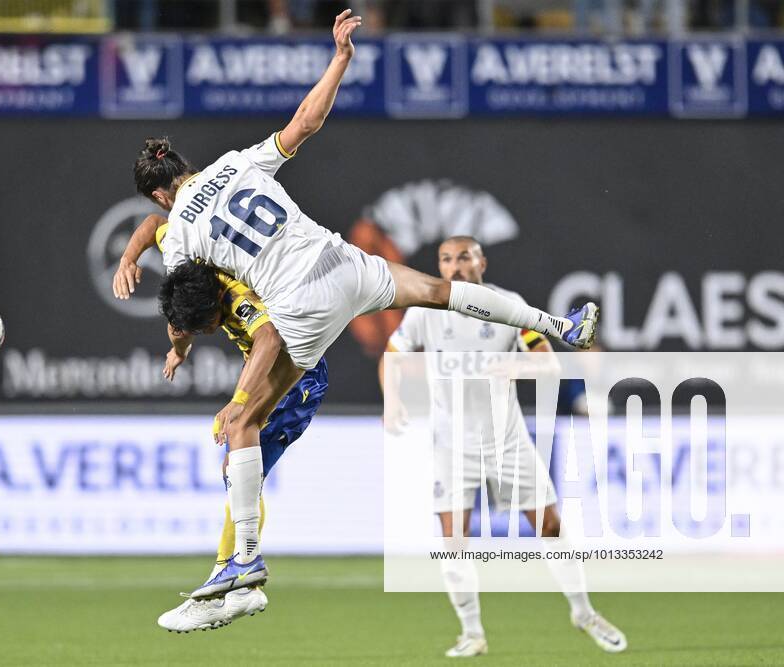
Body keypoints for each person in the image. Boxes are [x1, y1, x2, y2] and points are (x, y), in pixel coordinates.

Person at [126, 8, 599, 600]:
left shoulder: (184, 233)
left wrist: (181, 347)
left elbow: (186, 303)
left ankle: (242, 560)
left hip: (298, 303)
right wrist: (340, 59)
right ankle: (561, 324)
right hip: (343, 263)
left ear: (162, 193)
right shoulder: (235, 162)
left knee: (243, 422)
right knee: (440, 292)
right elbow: (305, 121)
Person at [381, 236, 626, 658]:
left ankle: (583, 612)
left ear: (482, 262)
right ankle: (472, 633)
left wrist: (516, 366)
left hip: (507, 438)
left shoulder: (510, 306)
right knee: (453, 536)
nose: (455, 267)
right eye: (446, 260)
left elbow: (549, 364)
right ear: (439, 268)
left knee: (549, 527)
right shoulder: (424, 312)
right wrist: (392, 398)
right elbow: (393, 353)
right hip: (451, 443)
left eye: (463, 257)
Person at [115, 215, 328, 631]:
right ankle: (238, 582)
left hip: (299, 371)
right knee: (240, 473)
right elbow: (155, 222)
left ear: (217, 308)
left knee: (241, 466)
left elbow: (270, 340)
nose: (205, 331)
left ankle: (232, 577)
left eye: (206, 326)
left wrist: (239, 403)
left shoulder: (238, 299)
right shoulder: (185, 267)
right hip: (269, 372)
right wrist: (128, 259)